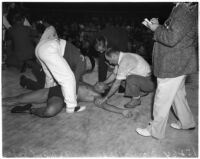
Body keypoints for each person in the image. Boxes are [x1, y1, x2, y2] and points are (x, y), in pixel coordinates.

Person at [136, 2, 198, 139]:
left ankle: (155, 131)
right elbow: (176, 31)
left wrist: (156, 29)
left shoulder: (184, 11)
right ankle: (187, 122)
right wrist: (160, 25)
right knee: (178, 95)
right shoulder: (183, 7)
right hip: (180, 62)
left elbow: (171, 38)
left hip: (173, 63)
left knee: (161, 98)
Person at [3, 80, 133, 118]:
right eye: (100, 82)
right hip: (54, 90)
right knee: (19, 98)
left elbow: (105, 105)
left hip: (60, 99)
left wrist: (121, 111)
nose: (99, 83)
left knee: (50, 111)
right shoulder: (88, 84)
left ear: (103, 91)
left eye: (102, 85)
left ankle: (31, 110)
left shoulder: (96, 97)